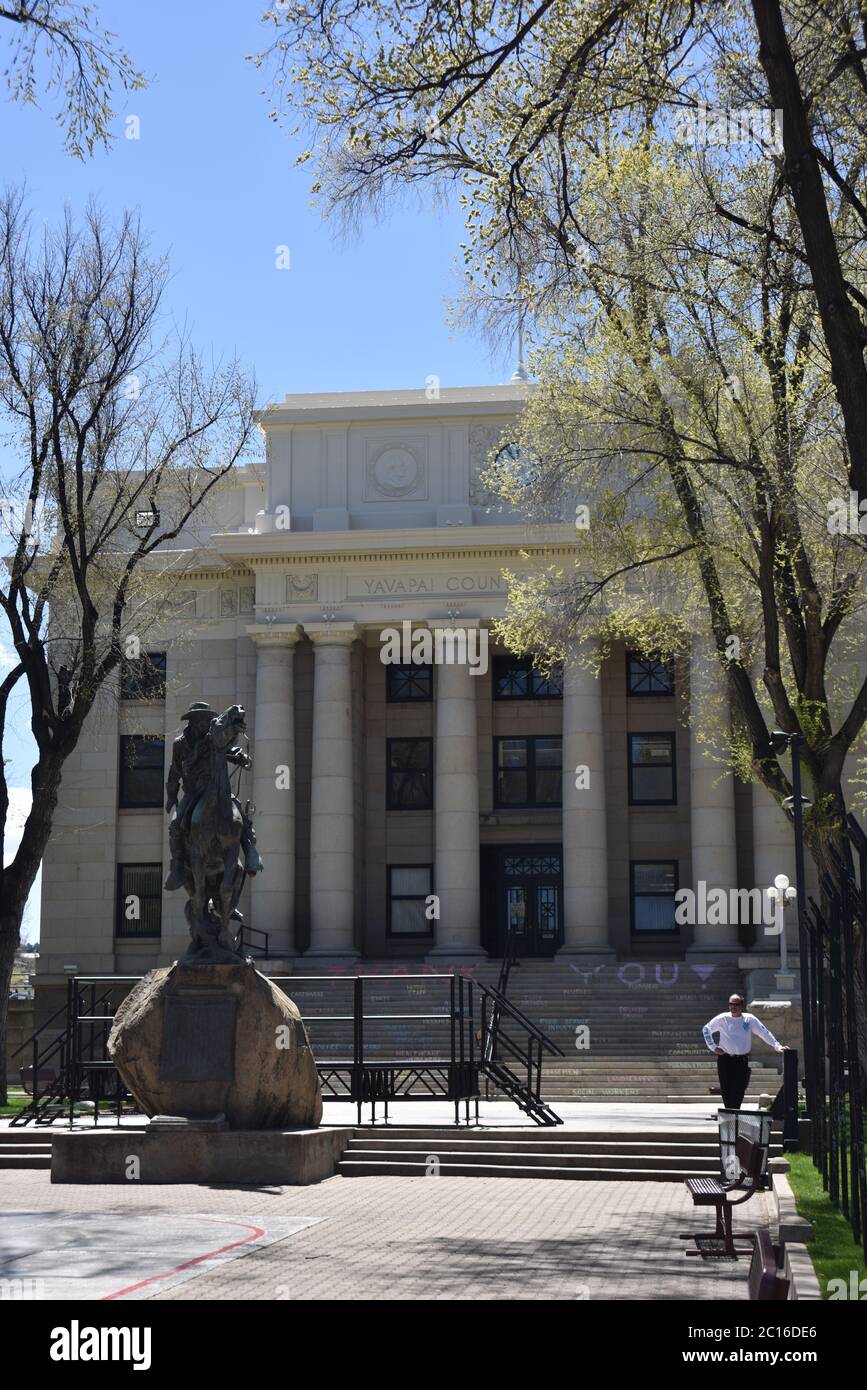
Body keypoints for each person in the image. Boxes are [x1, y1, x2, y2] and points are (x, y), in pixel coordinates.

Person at [164, 701, 262, 891]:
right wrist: (171, 795)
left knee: (239, 813)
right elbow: (174, 771)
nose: (204, 723)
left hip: (213, 787)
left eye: (207, 719)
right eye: (201, 719)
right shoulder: (180, 744)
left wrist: (240, 757)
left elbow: (226, 749)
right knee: (175, 825)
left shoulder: (212, 738)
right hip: (193, 792)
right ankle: (177, 866)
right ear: (192, 721)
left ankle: (250, 851)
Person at [701, 993, 788, 1110]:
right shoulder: (723, 1018)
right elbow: (706, 1029)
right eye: (730, 1004)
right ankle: (730, 1115)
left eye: (736, 1004)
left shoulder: (749, 1019)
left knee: (739, 1088)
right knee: (726, 1090)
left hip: (741, 1060)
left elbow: (764, 1033)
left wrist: (777, 1046)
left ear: (741, 1005)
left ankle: (735, 1113)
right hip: (725, 1059)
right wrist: (713, 1047)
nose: (733, 1007)